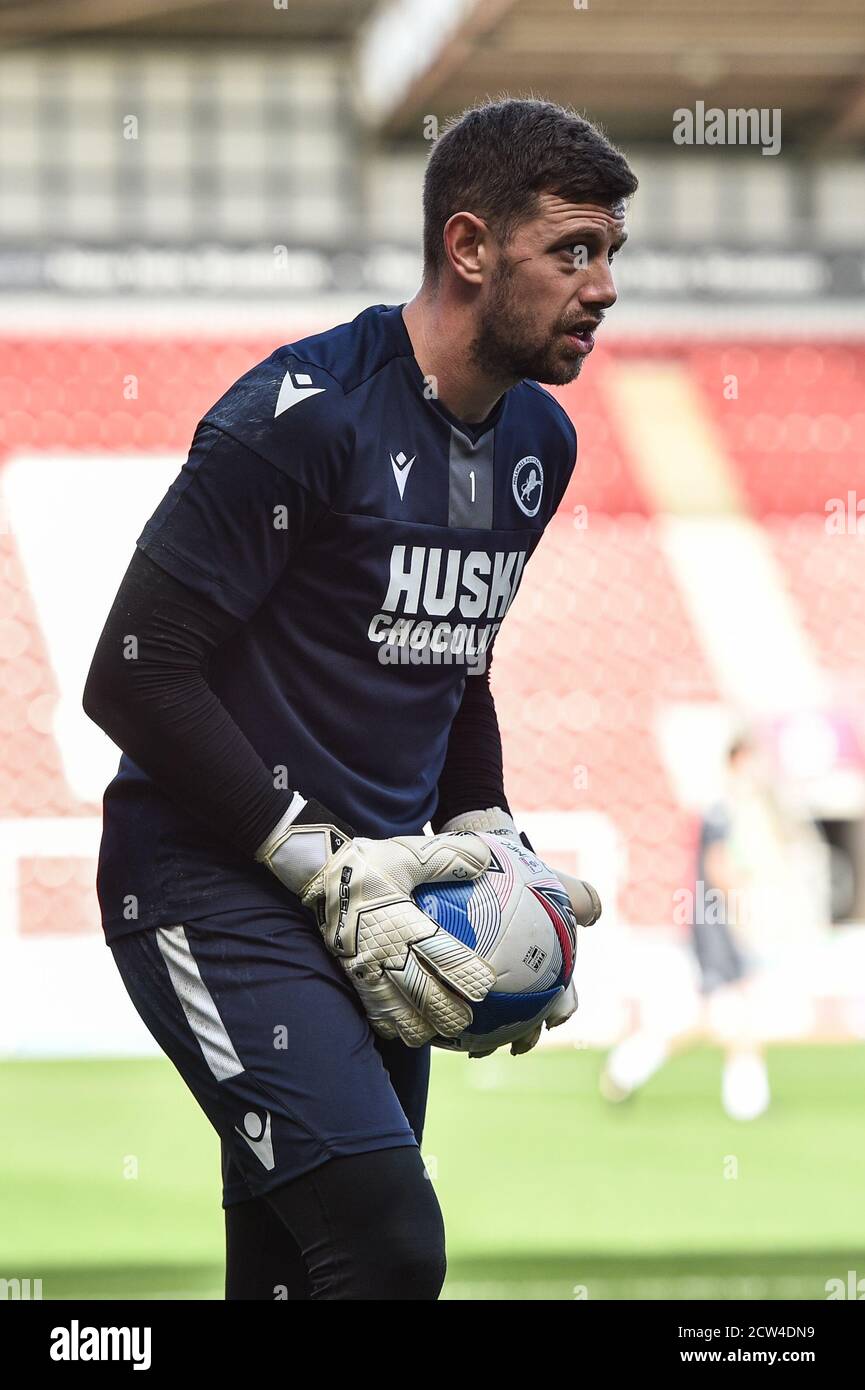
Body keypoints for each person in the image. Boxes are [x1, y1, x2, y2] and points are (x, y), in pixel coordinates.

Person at [83, 97, 636, 1300]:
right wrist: (317, 864)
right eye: (574, 251)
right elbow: (131, 670)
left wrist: (486, 828)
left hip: (387, 909)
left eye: (611, 256)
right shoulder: (302, 416)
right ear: (470, 246)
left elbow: (459, 658)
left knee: (293, 1267)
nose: (602, 288)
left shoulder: (540, 440)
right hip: (213, 884)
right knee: (384, 1246)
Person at [600, 734, 823, 1121]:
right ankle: (745, 1101)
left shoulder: (740, 809)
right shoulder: (722, 810)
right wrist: (743, 907)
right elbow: (718, 869)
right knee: (729, 1008)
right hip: (714, 923)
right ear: (738, 762)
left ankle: (632, 1068)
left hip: (719, 922)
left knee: (716, 1012)